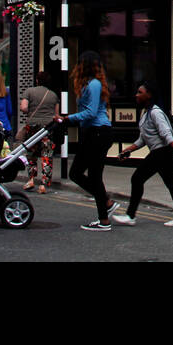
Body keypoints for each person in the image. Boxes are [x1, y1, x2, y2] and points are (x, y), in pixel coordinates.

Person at [111, 81, 173, 228]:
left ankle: (130, 216)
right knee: (172, 183)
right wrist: (127, 150)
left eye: (140, 92)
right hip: (161, 152)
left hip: (162, 151)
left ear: (149, 95)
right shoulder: (146, 113)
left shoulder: (155, 112)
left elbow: (166, 134)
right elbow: (143, 139)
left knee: (137, 179)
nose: (136, 95)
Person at [57, 50, 115, 231]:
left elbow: (90, 112)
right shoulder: (88, 84)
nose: (77, 67)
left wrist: (68, 118)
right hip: (92, 133)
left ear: (85, 65)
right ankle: (105, 203)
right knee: (79, 174)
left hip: (99, 132)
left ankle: (104, 219)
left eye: (79, 63)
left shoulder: (94, 85)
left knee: (92, 176)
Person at [19, 71, 59, 194]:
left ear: (37, 80)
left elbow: (23, 108)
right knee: (46, 154)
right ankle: (44, 184)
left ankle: (31, 179)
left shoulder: (29, 91)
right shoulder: (53, 95)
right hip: (47, 128)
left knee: (31, 153)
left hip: (32, 126)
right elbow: (56, 115)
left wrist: (31, 110)